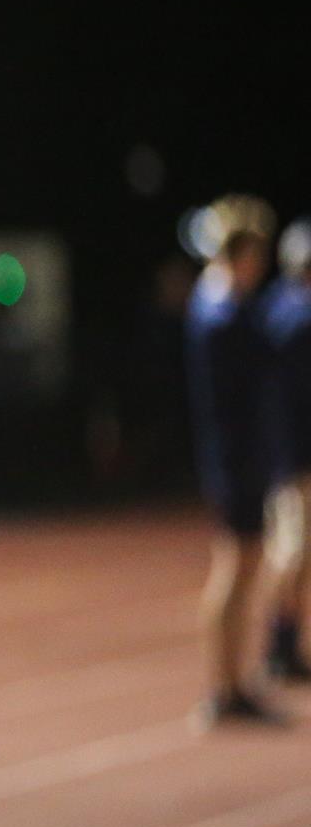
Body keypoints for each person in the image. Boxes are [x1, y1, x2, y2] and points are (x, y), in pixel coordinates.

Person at [185, 194, 284, 728]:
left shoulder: (223, 306)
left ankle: (231, 682)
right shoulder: (224, 312)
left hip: (239, 455)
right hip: (235, 458)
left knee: (242, 569)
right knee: (235, 568)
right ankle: (222, 686)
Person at [259, 218, 311, 681]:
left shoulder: (274, 305)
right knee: (293, 551)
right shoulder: (297, 317)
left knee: (291, 551)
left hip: (282, 452)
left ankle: (284, 641)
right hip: (294, 456)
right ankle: (280, 643)